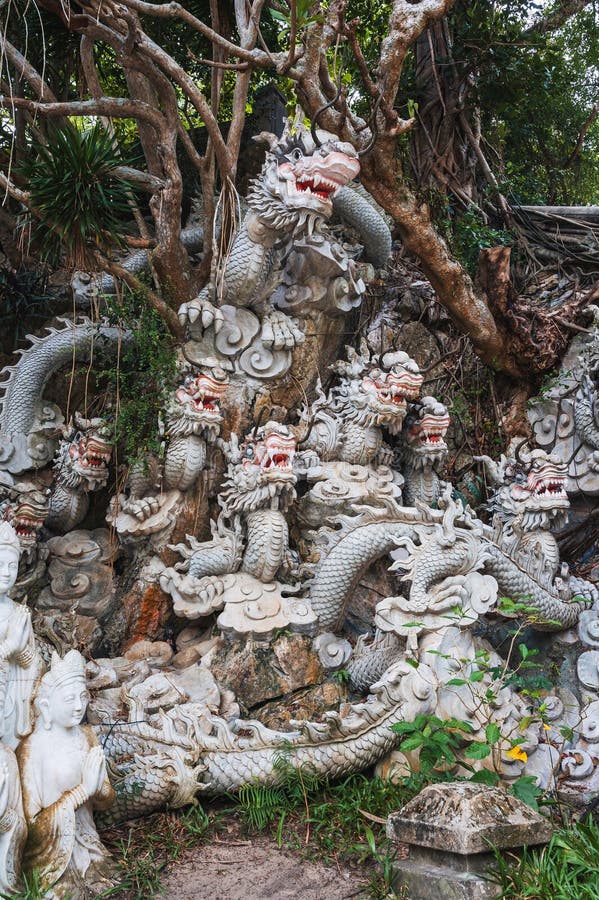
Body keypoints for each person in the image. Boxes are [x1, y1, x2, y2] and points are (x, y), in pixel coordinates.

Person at [17, 650, 115, 898]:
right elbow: (32, 827)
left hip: (89, 845)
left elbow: (106, 802)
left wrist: (99, 789)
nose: (79, 706)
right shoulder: (31, 749)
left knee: (109, 878)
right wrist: (82, 792)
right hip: (52, 858)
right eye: (70, 698)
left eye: (83, 697)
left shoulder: (87, 736)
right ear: (46, 706)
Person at [0, 522, 39, 750]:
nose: (6, 573)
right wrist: (9, 645)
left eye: (12, 566)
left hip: (11, 698)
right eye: (0, 564)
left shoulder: (18, 612)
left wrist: (21, 648)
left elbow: (31, 663)